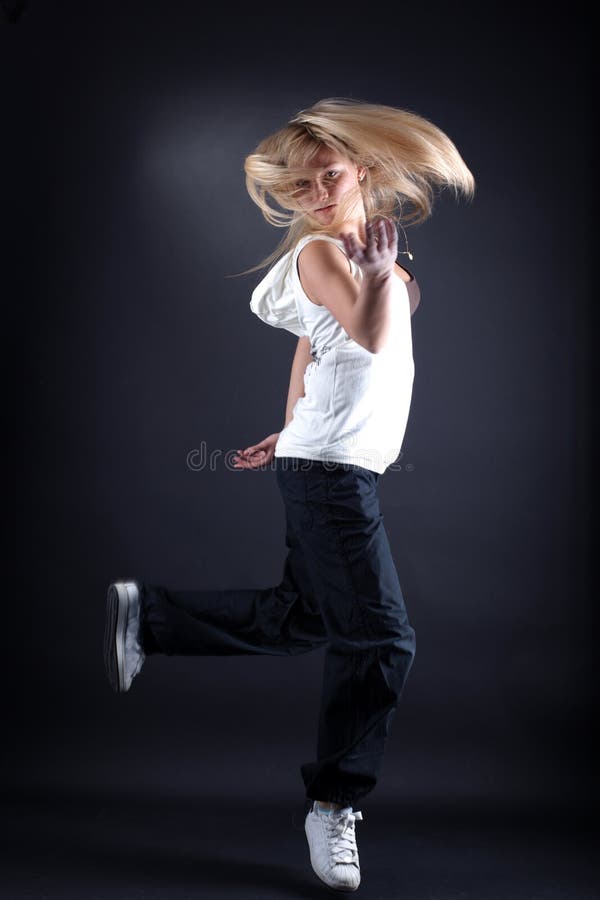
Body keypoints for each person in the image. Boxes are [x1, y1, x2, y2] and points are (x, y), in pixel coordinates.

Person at [103, 97, 475, 892]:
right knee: (383, 640)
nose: (315, 195)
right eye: (300, 186)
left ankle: (150, 618)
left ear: (361, 169)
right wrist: (379, 278)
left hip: (324, 458)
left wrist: (290, 427)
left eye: (327, 176)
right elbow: (371, 332)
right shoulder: (319, 253)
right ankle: (334, 803)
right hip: (332, 472)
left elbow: (315, 347)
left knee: (301, 617)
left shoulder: (367, 258)